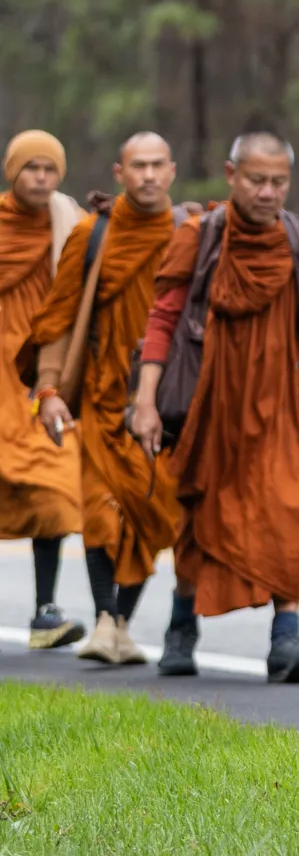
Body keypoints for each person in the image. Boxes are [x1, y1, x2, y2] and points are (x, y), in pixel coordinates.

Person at [130, 131, 299, 683]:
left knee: (292, 514)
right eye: (256, 180)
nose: (268, 192)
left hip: (284, 407)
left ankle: (287, 638)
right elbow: (163, 319)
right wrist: (145, 400)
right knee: (202, 516)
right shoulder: (198, 237)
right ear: (231, 176)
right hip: (212, 406)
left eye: (278, 182)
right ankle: (182, 628)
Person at [26, 133, 184, 665]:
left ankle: (120, 622)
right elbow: (59, 318)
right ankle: (103, 619)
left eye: (157, 166)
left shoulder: (189, 233)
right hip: (101, 395)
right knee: (99, 511)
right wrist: (49, 390)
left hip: (167, 404)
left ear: (173, 170)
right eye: (137, 166)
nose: (147, 176)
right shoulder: (92, 235)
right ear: (119, 172)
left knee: (152, 511)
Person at [0, 131, 86, 650]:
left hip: (39, 377)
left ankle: (45, 610)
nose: (41, 178)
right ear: (13, 171)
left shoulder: (68, 223)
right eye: (31, 168)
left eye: (50, 169)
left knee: (53, 483)